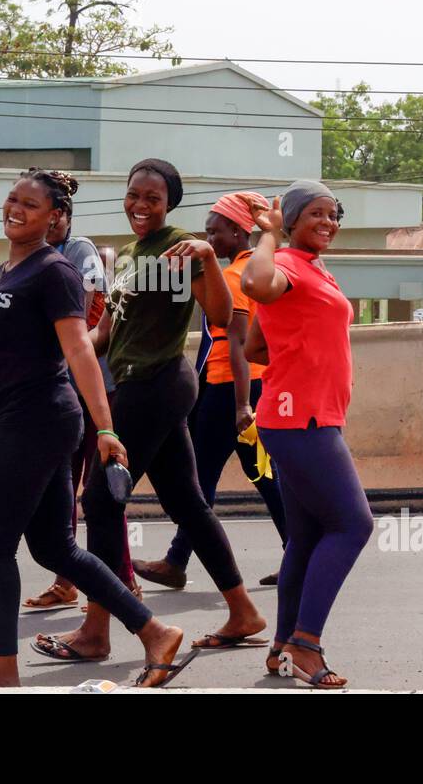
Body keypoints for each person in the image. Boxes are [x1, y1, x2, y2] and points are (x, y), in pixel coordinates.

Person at [0, 170, 194, 688]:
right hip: (23, 413)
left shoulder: (55, 270)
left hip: (39, 417)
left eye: (31, 205)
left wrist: (106, 430)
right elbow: (1, 352)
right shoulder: (4, 271)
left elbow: (79, 348)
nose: (16, 209)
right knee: (54, 548)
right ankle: (154, 632)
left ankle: (3, 678)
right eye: (12, 200)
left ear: (55, 217)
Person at [35, 158, 267, 663]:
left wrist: (206, 255)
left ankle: (97, 631)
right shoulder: (134, 255)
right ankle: (243, 610)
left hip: (156, 384)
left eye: (152, 198)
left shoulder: (181, 248)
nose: (140, 205)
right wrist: (57, 352)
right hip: (146, 386)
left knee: (99, 501)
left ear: (169, 205)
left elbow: (222, 316)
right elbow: (106, 334)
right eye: (134, 194)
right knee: (186, 502)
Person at [240, 180, 375, 689]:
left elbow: (257, 346)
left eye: (333, 214)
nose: (328, 222)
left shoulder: (313, 268)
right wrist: (268, 237)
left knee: (306, 536)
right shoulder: (287, 265)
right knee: (352, 526)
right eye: (316, 214)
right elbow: (254, 288)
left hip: (303, 415)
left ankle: (280, 647)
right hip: (302, 423)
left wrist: (303, 360)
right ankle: (306, 643)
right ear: (292, 220)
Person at [133, 191, 288, 590]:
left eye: (215, 231)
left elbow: (236, 342)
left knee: (204, 479)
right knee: (257, 475)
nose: (209, 238)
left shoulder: (236, 276)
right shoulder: (252, 267)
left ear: (238, 232)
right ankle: (298, 556)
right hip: (239, 386)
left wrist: (239, 405)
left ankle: (176, 562)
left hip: (229, 389)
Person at [24, 191, 142, 610]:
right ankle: (67, 580)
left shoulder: (78, 249)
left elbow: (93, 303)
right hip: (58, 391)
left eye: (57, 214)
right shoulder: (32, 255)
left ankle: (124, 580)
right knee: (62, 487)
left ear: (65, 216)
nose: (50, 221)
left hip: (94, 386)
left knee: (101, 488)